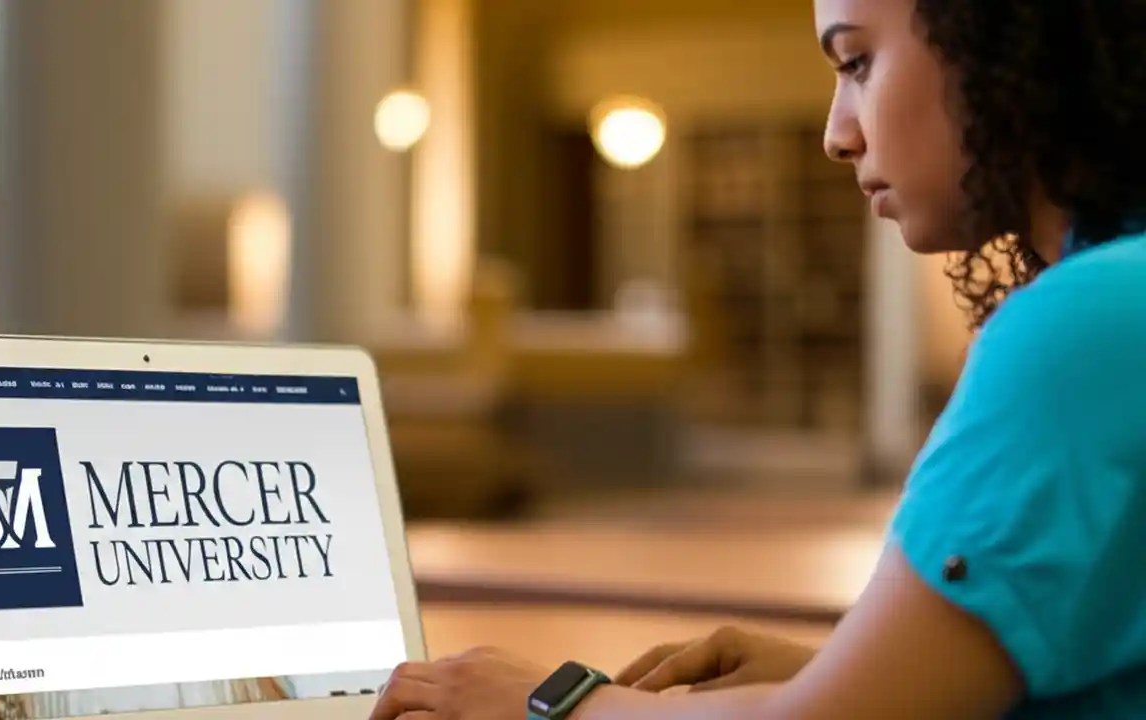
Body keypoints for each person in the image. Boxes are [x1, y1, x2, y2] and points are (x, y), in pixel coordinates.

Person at [369, 0, 1146, 717]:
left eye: (857, 63)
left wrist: (555, 704)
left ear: (1000, 37)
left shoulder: (1086, 326)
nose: (838, 132)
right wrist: (856, 665)